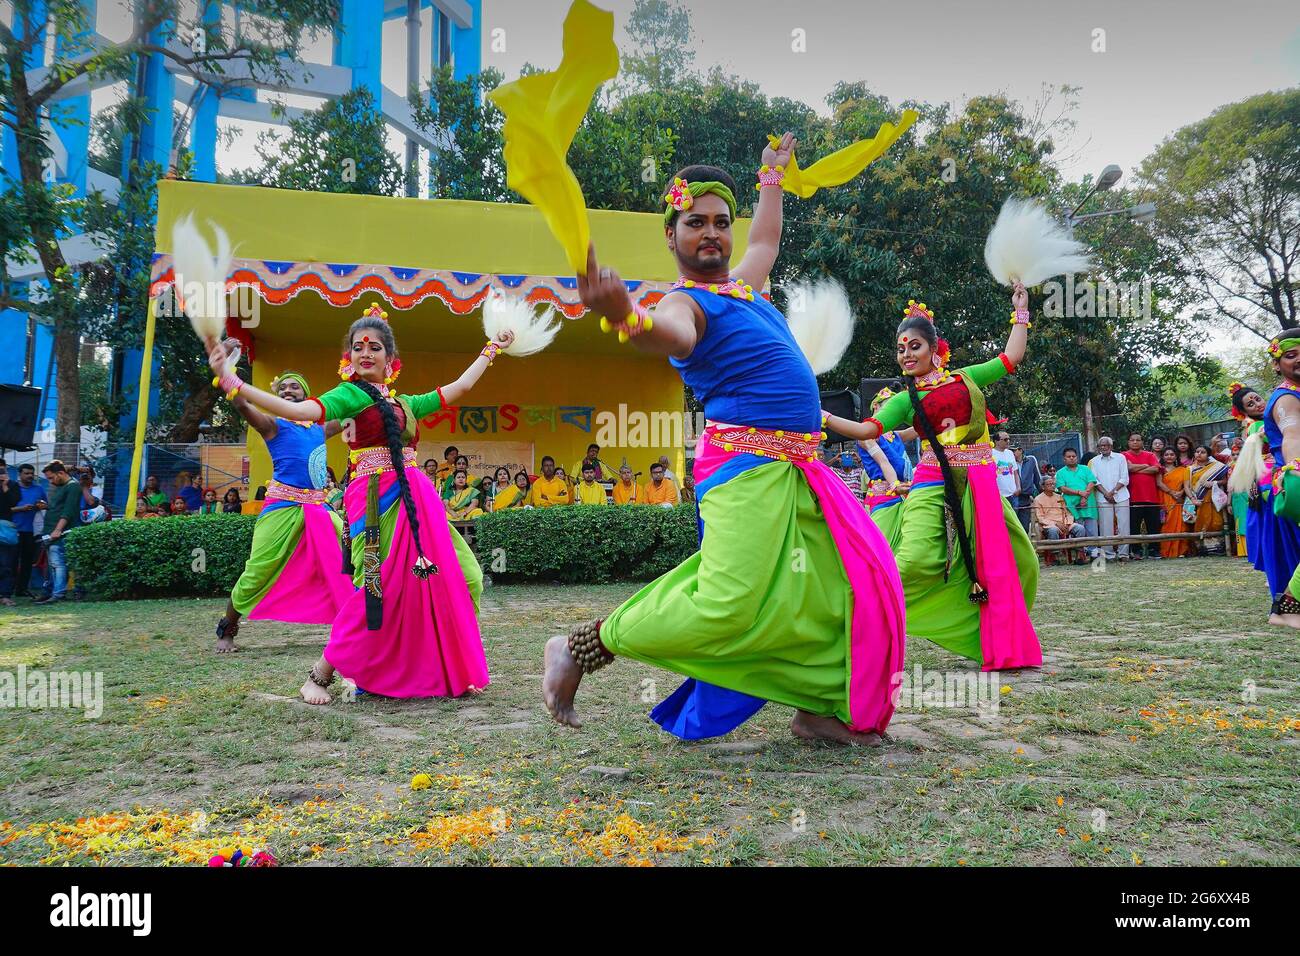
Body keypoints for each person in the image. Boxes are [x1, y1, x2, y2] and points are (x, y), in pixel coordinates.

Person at [545, 138, 906, 745]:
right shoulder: (686, 302)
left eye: (719, 222)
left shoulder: (742, 285)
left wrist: (771, 178)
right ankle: (582, 648)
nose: (710, 233)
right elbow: (665, 334)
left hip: (801, 473)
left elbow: (764, 239)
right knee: (728, 604)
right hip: (744, 468)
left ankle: (818, 709)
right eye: (695, 223)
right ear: (671, 235)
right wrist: (626, 315)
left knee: (837, 586)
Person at [207, 303, 512, 701]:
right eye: (357, 347)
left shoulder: (406, 405)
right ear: (348, 357)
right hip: (373, 500)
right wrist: (232, 383)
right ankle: (319, 675)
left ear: (392, 359)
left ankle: (431, 663)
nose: (364, 352)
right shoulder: (349, 395)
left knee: (466, 575)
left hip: (417, 499)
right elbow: (299, 410)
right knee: (374, 587)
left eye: (374, 347)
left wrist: (492, 349)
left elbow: (459, 388)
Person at [827, 291, 1041, 672]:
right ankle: (859, 614)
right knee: (916, 560)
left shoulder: (966, 377)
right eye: (900, 349)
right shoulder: (903, 399)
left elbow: (1011, 358)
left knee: (1017, 558)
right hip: (931, 479)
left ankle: (1001, 643)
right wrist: (822, 416)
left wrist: (1020, 310)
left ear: (934, 349)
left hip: (978, 482)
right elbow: (865, 428)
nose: (906, 354)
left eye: (914, 346)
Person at [212, 370, 353, 653]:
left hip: (318, 509)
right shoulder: (273, 425)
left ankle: (360, 626)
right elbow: (242, 405)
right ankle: (227, 629)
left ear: (307, 395)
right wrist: (227, 376)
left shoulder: (319, 428)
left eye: (295, 387)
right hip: (282, 507)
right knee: (258, 571)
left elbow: (352, 414)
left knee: (351, 556)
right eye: (284, 388)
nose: (288, 390)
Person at [32, 460, 80, 605]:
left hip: (60, 534)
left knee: (58, 564)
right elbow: (59, 507)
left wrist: (58, 530)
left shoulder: (73, 486)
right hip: (51, 532)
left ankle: (58, 594)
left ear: (60, 473)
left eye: (51, 478)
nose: (51, 482)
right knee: (53, 565)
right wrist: (46, 506)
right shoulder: (61, 486)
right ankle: (52, 592)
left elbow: (68, 511)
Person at [10, 463, 47, 599]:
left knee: (27, 562)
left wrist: (41, 506)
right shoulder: (12, 489)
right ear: (19, 474)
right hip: (13, 530)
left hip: (32, 531)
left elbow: (46, 505)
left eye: (31, 473)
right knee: (11, 561)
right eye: (26, 473)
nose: (30, 476)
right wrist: (21, 509)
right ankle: (8, 589)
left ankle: (22, 589)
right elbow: (4, 509)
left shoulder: (39, 489)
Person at [1183, 444, 1229, 554]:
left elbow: (1224, 481)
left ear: (1208, 455)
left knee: (1216, 523)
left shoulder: (1217, 467)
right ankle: (1202, 549)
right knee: (1199, 523)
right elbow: (1186, 486)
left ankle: (1217, 548)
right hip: (1197, 501)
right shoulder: (1189, 469)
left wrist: (1213, 482)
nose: (1199, 454)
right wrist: (1193, 499)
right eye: (1197, 451)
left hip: (1213, 500)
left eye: (1202, 452)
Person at [1123, 432, 1162, 559]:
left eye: (1138, 440)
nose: (1135, 442)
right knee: (1134, 526)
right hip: (1133, 497)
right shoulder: (1123, 455)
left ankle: (1153, 551)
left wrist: (1135, 468)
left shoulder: (1150, 455)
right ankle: (1136, 551)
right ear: (1128, 442)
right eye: (1132, 440)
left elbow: (1156, 469)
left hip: (1152, 497)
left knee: (1154, 526)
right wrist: (1145, 466)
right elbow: (1127, 468)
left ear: (1142, 442)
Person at [1091, 436, 1131, 560]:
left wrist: (1113, 492)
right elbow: (1094, 480)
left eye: (1106, 445)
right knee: (1105, 526)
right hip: (1103, 497)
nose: (1104, 447)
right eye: (1101, 445)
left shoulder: (1120, 458)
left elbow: (1124, 478)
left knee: (1124, 526)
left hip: (1121, 495)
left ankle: (1123, 553)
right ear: (1098, 447)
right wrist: (1106, 494)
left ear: (1111, 446)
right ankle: (1108, 554)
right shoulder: (1094, 461)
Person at [1032, 475, 1086, 564]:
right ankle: (1055, 558)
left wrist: (1067, 523)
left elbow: (1067, 512)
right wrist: (1056, 524)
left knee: (1080, 528)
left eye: (1053, 484)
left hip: (1064, 523)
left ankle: (1078, 556)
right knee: (1053, 530)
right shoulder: (1038, 499)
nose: (1052, 486)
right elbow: (1040, 517)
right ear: (1043, 487)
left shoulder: (1059, 497)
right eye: (1049, 484)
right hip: (1050, 525)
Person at [1055, 447, 1098, 558]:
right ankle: (1081, 554)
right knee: (1078, 529)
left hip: (1088, 503)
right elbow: (1062, 488)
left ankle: (1093, 552)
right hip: (1072, 506)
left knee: (1092, 529)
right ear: (1064, 459)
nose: (1071, 458)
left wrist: (1085, 496)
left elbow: (1092, 482)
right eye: (1068, 457)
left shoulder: (1085, 469)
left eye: (1073, 456)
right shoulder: (1060, 473)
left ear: (1077, 457)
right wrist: (1079, 493)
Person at [1156, 446, 1193, 559]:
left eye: (1172, 454)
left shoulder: (1183, 469)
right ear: (1162, 456)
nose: (1169, 457)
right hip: (1165, 498)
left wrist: (1180, 493)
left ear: (1176, 456)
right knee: (1166, 524)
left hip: (1179, 499)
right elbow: (1159, 483)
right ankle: (1166, 552)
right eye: (1166, 454)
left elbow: (1187, 484)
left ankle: (1181, 551)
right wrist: (1172, 493)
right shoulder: (1160, 469)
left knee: (1180, 525)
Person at [0, 467, 20, 607]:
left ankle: (5, 595)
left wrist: (5, 486)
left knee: (6, 564)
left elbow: (13, 502)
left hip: (4, 529)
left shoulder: (12, 485)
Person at [1011, 443, 1042, 534]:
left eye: (1013, 450)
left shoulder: (1031, 460)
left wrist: (1041, 494)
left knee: (1025, 525)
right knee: (1013, 523)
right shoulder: (1008, 462)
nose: (1011, 452)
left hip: (1026, 497)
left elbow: (1037, 478)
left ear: (1020, 450)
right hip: (1013, 496)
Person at [992, 431, 1019, 510]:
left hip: (1013, 495)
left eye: (1008, 439)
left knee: (1014, 520)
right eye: (1005, 439)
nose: (1008, 441)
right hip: (999, 496)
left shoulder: (1010, 453)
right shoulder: (990, 454)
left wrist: (1018, 488)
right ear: (996, 441)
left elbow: (1015, 472)